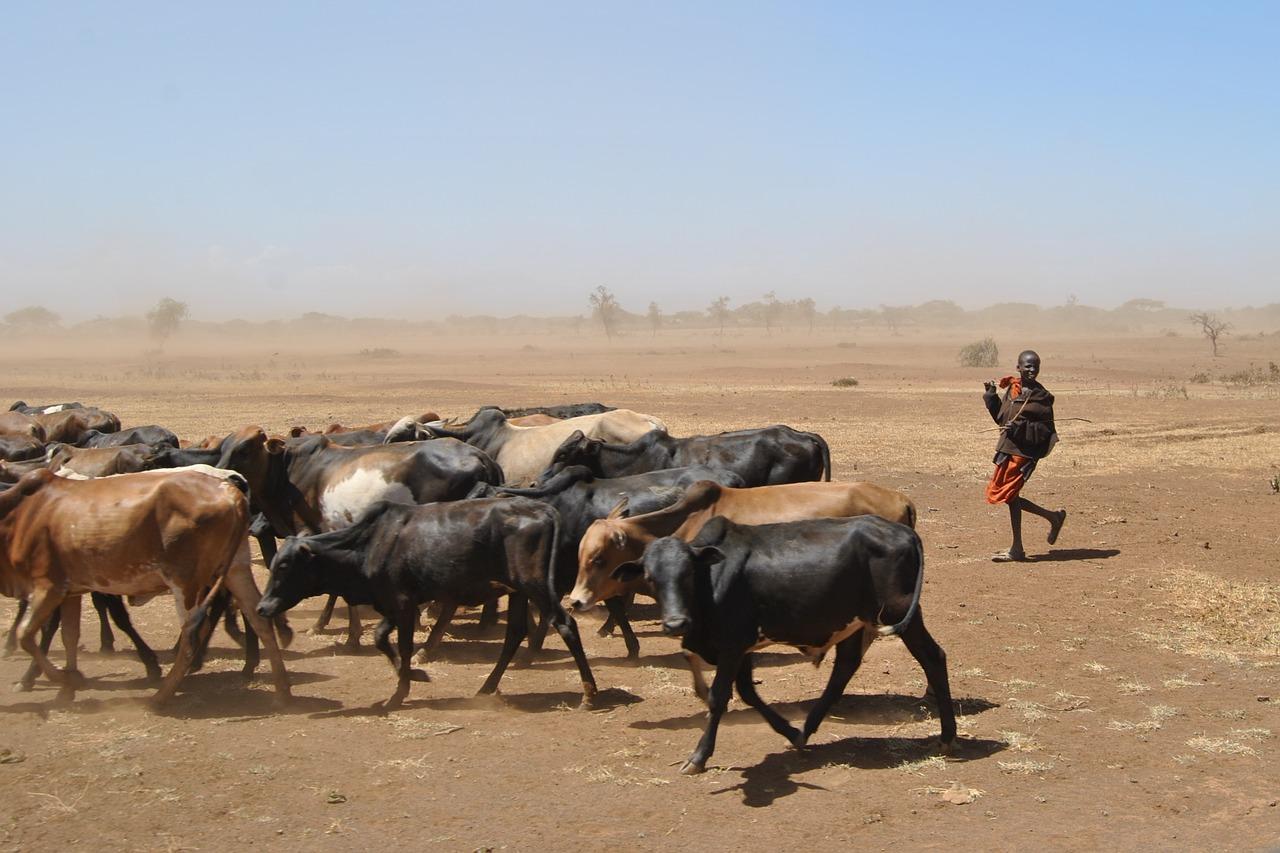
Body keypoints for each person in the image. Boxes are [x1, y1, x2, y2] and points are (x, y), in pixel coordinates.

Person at [983, 350, 1066, 562]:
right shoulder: (1013, 389)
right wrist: (991, 396)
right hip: (1007, 449)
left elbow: (1046, 432)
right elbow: (1001, 419)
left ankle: (1017, 549)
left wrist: (1019, 428)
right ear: (1018, 367)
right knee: (1010, 497)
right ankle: (1052, 517)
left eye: (1035, 366)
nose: (1031, 370)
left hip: (1024, 454)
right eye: (1027, 366)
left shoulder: (1042, 398)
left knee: (1010, 496)